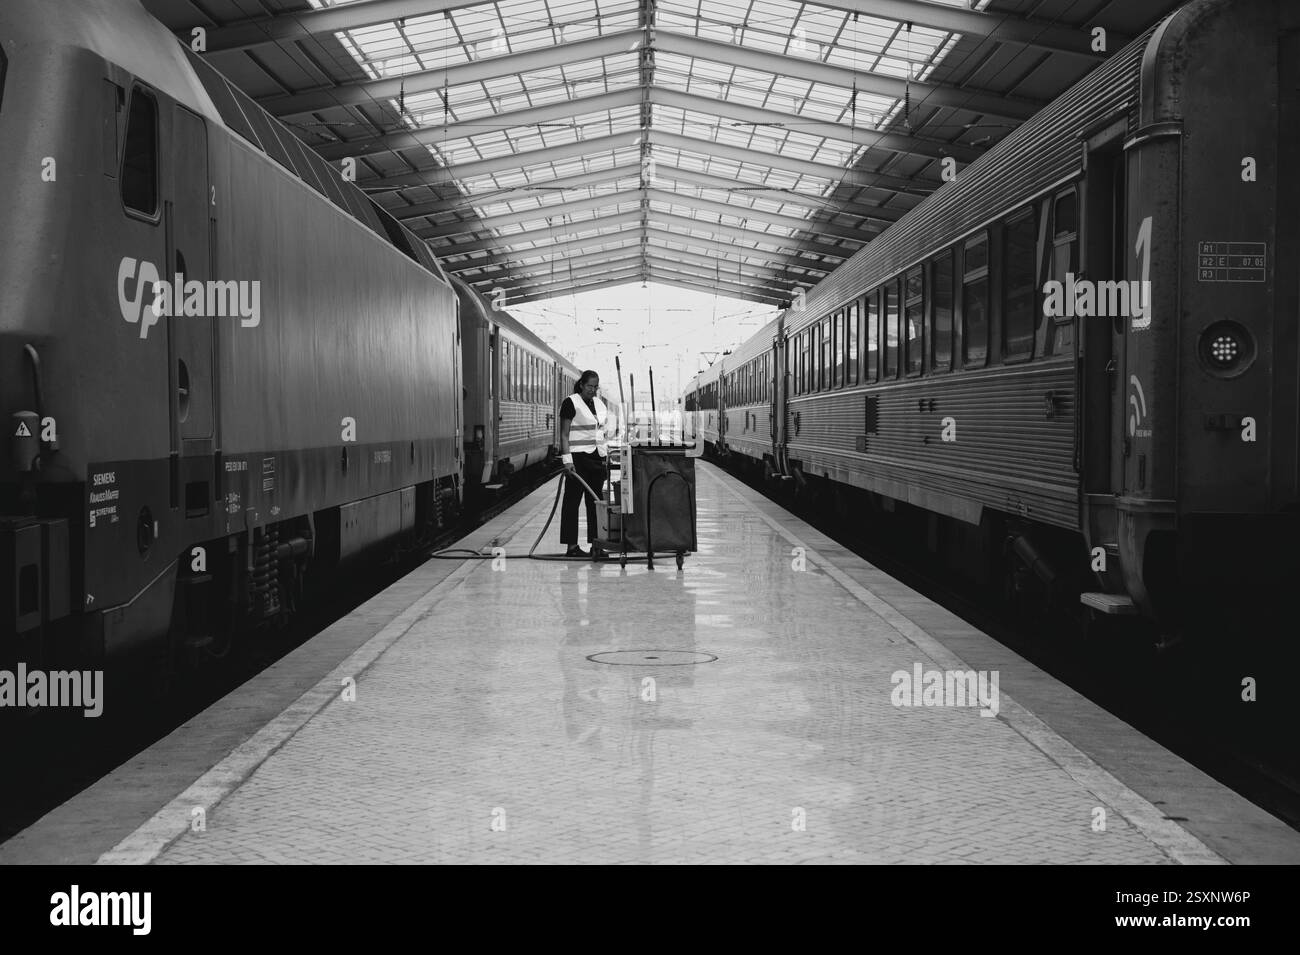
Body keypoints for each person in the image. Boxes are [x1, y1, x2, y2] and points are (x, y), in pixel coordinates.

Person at [559, 371, 611, 558]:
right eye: (589, 386)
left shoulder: (599, 403)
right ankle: (571, 547)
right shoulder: (570, 402)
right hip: (577, 460)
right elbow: (564, 435)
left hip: (596, 459)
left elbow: (601, 433)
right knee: (572, 502)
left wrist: (605, 457)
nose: (592, 390)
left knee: (595, 502)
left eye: (595, 387)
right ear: (581, 384)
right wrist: (567, 461)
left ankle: (596, 545)